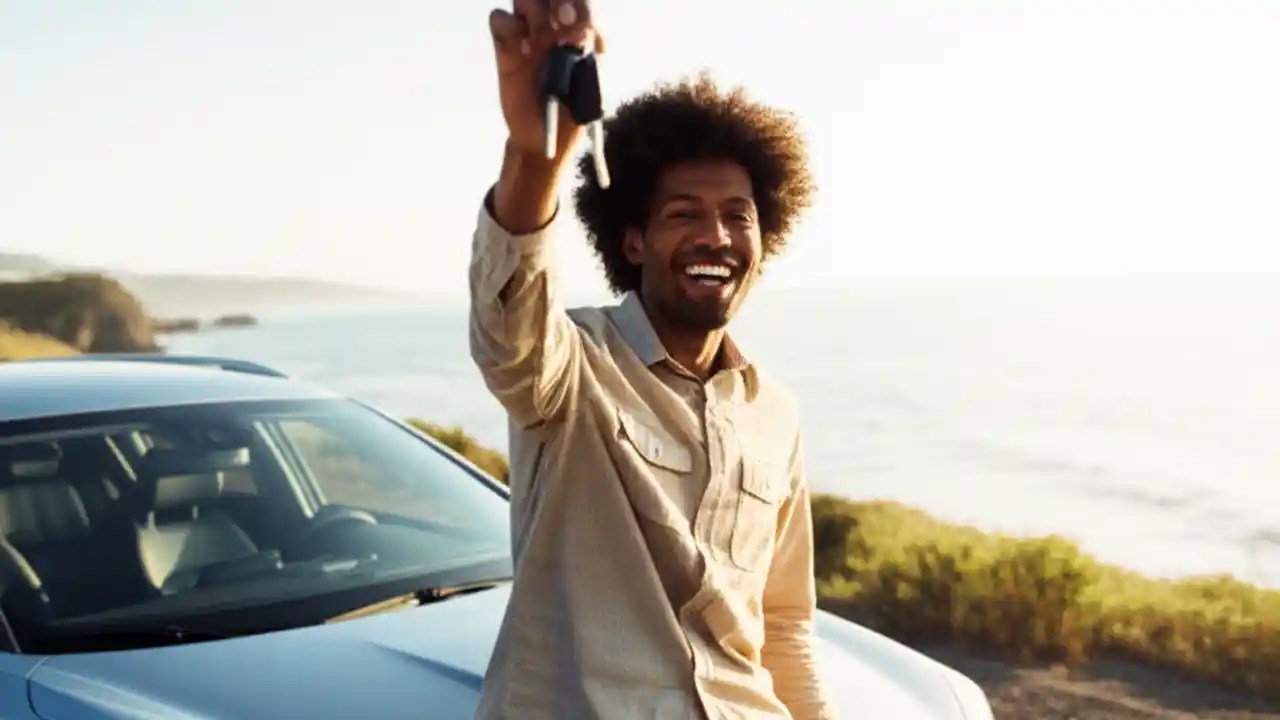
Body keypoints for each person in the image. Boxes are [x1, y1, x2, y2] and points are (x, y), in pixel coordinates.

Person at [468, 1, 835, 717]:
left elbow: (785, 622)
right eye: (683, 214)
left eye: (738, 215)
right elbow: (504, 332)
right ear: (632, 241)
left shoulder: (775, 414)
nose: (717, 236)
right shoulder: (571, 370)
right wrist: (536, 156)